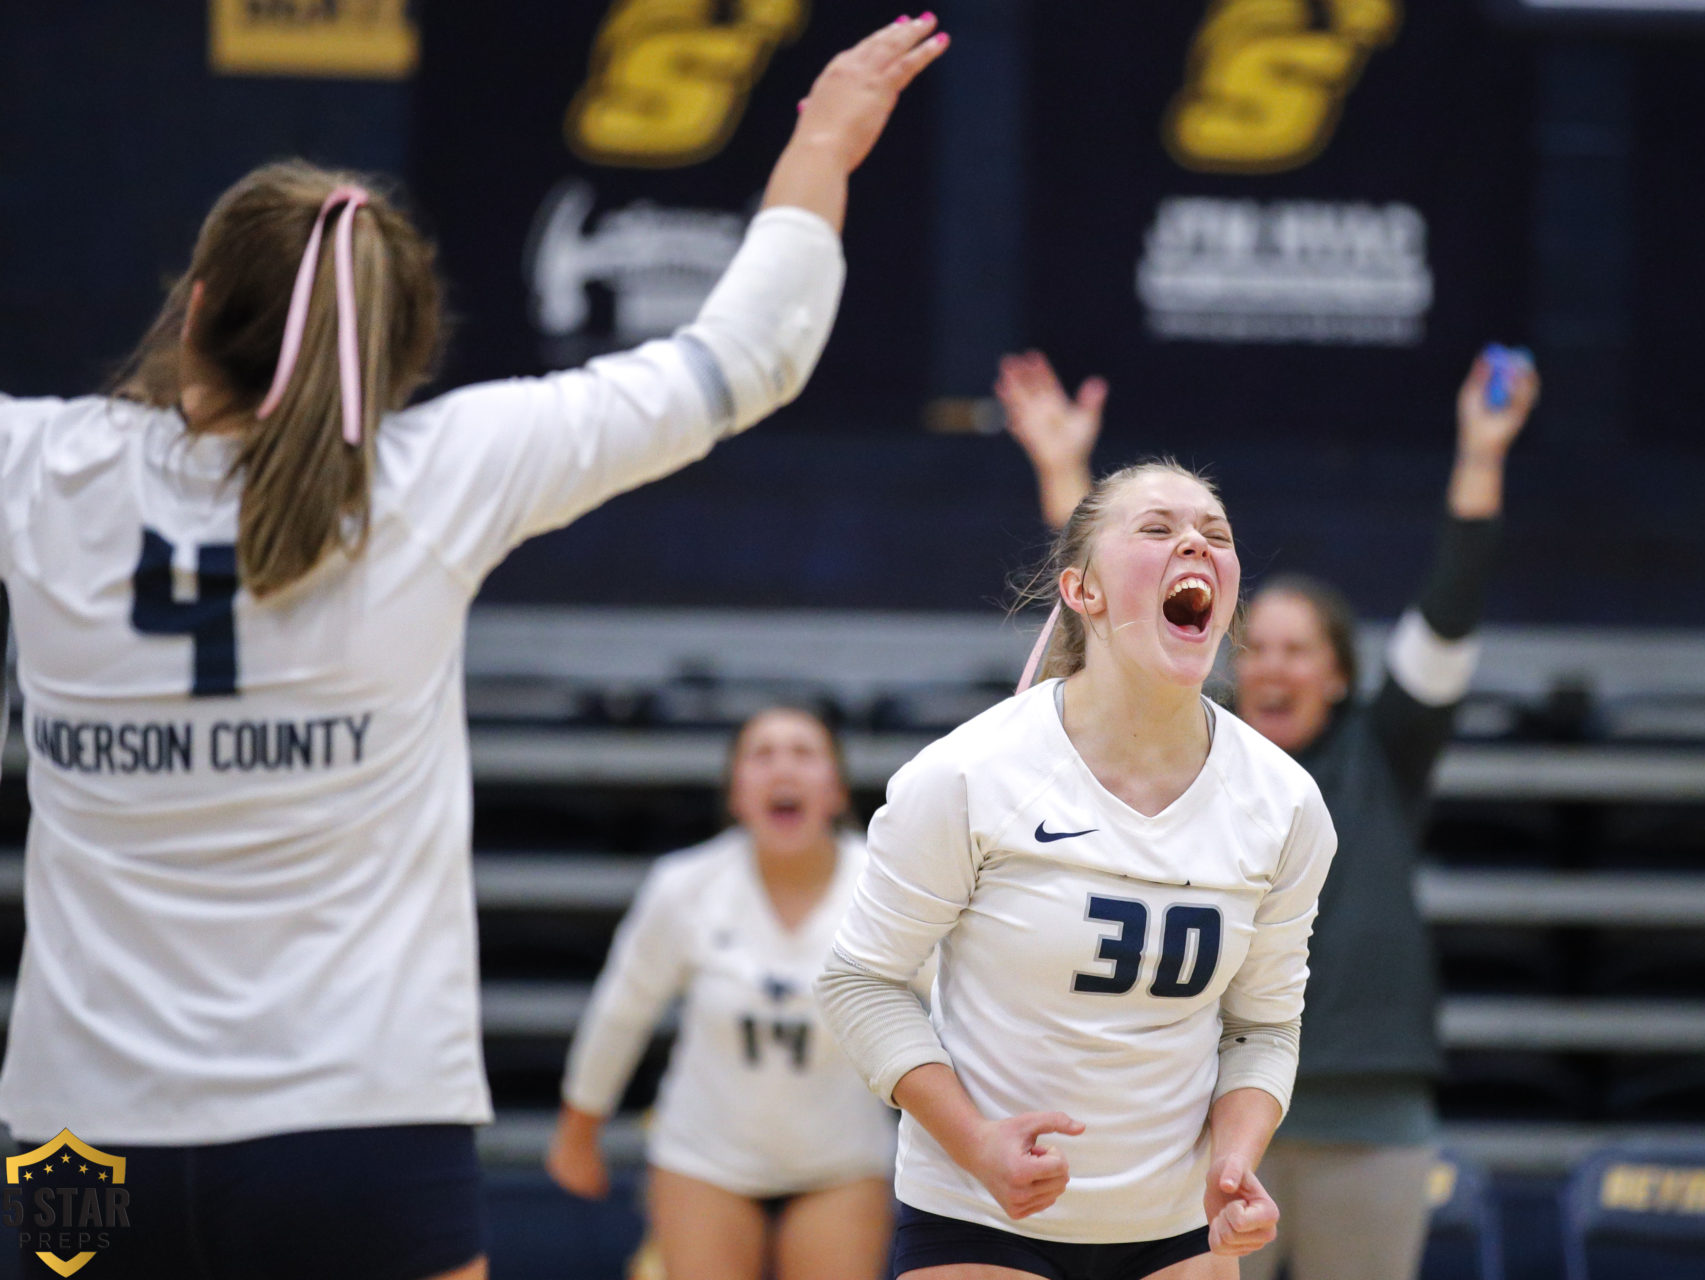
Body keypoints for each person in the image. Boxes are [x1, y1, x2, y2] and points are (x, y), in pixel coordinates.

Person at [0, 18, 946, 1280]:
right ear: (391, 346)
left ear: (199, 304)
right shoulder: (438, 474)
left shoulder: (38, 468)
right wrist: (821, 139)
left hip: (80, 1135)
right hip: (365, 1130)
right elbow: (747, 355)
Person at [996, 349, 1540, 1280]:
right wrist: (1062, 473)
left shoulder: (1383, 751)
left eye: (1302, 652)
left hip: (1364, 1116)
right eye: (1264, 650)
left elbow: (1449, 614)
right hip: (1205, 1108)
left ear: (1339, 673)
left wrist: (1481, 453)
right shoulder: (1190, 753)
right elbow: (1113, 612)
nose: (1276, 667)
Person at [817, 459, 1340, 1280]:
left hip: (1179, 1231)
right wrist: (974, 1142)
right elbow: (859, 982)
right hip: (981, 1219)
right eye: (1159, 529)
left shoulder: (1286, 803)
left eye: (1217, 533)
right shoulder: (967, 775)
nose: (1196, 544)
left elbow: (1262, 1026)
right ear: (1082, 591)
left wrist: (1235, 1160)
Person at [547, 707, 899, 1280]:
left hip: (843, 1163)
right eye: (762, 754)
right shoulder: (684, 886)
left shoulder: (887, 889)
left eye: (804, 753)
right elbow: (621, 1014)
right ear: (736, 793)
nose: (782, 768)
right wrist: (578, 1132)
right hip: (703, 1159)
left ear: (835, 790)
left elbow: (956, 1009)